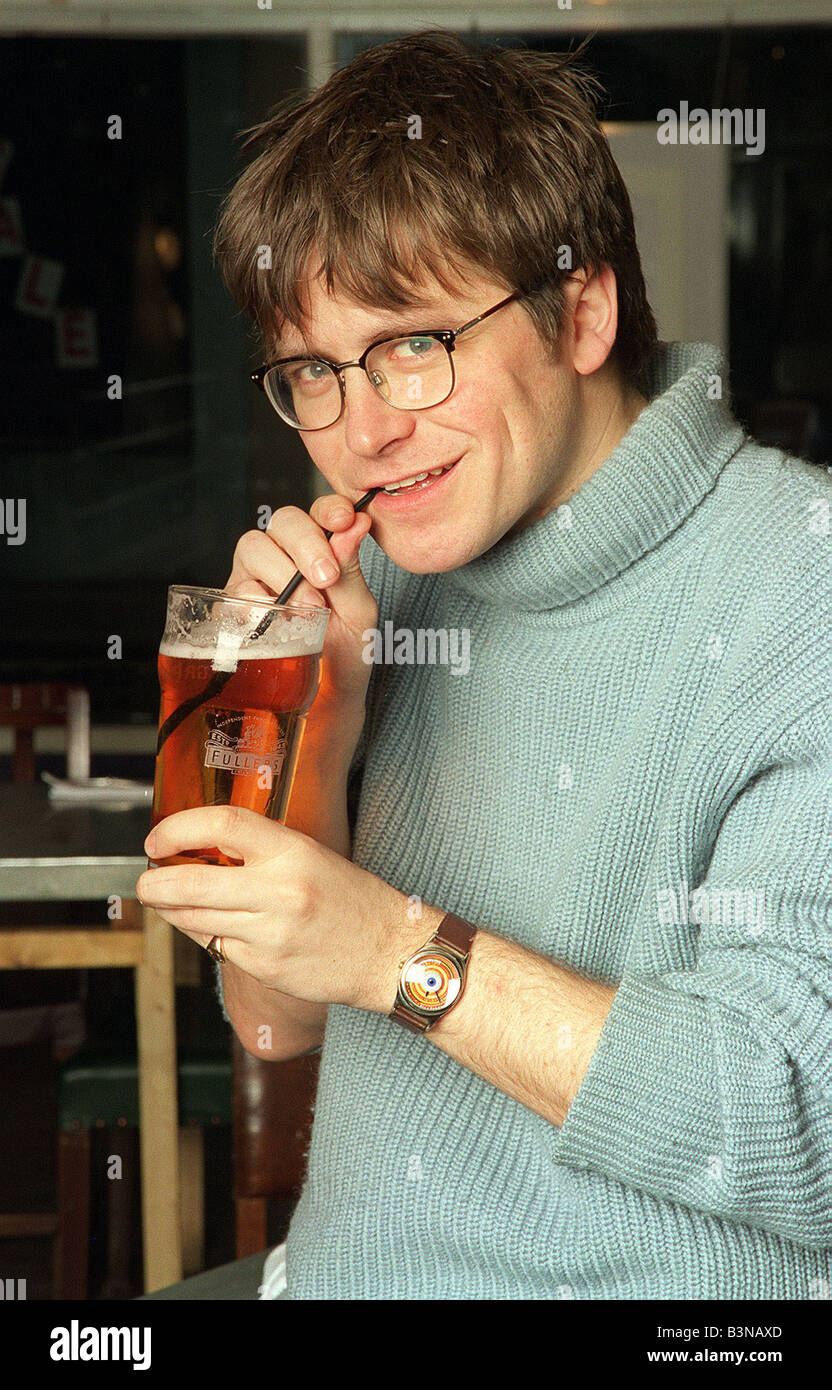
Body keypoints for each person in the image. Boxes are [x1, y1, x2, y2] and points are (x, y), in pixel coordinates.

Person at [137, 31, 832, 1300]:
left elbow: (800, 1128)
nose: (361, 431)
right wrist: (312, 733)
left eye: (412, 345)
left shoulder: (802, 586)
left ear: (582, 310)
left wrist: (397, 946)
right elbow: (272, 1023)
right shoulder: (390, 577)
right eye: (314, 372)